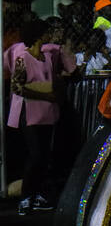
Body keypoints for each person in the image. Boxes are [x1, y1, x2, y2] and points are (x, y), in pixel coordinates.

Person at [4, 17, 76, 213]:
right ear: (37, 36)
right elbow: (17, 87)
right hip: (31, 112)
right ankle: (26, 197)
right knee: (36, 154)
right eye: (45, 32)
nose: (48, 35)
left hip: (46, 112)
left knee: (44, 155)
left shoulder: (46, 59)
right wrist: (46, 94)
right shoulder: (24, 58)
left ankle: (36, 195)